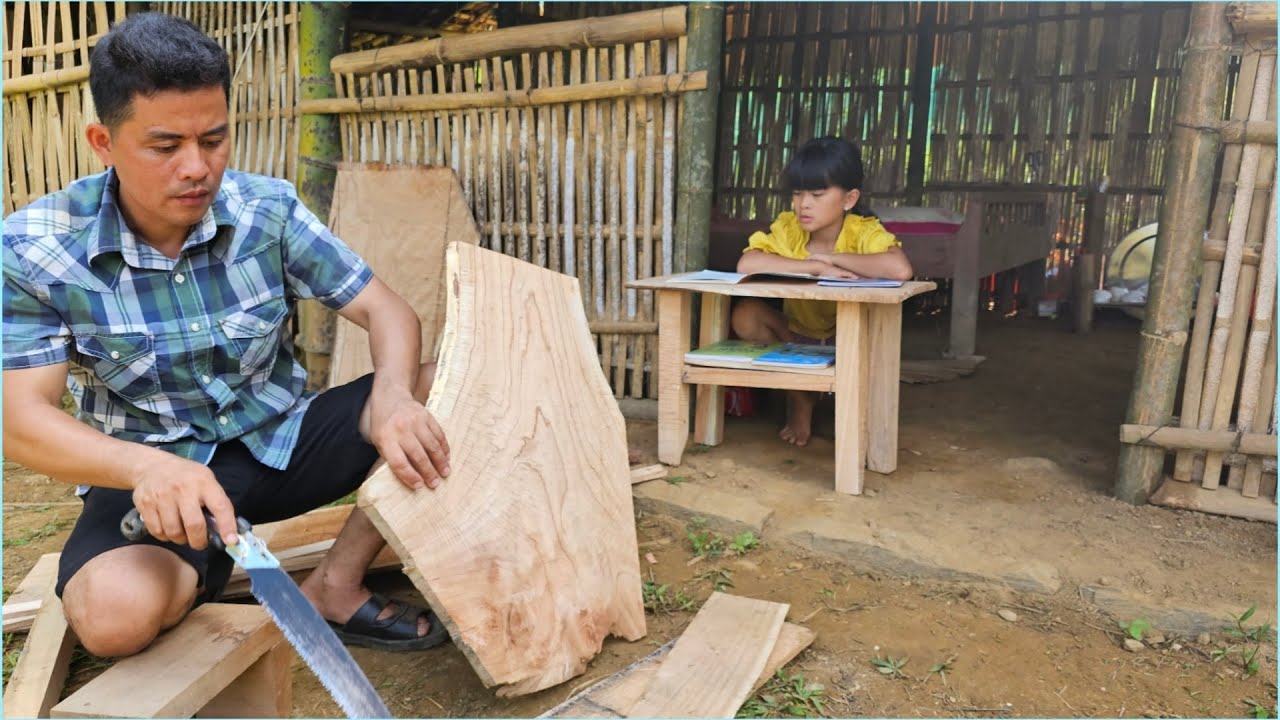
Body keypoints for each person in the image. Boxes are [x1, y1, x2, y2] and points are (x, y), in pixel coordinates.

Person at [2, 13, 450, 657]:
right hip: (155, 475)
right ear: (104, 142)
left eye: (213, 140)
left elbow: (389, 312)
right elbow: (20, 420)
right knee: (112, 619)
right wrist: (147, 468)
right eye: (165, 147)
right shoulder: (35, 249)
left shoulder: (267, 209)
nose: (197, 168)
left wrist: (396, 400)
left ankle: (336, 584)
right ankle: (194, 561)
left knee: (440, 389)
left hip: (284, 444)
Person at [731, 136, 913, 447]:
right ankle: (801, 400)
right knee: (745, 315)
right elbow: (747, 263)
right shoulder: (788, 228)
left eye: (817, 194)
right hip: (795, 335)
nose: (804, 204)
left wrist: (833, 258)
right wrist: (813, 266)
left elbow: (900, 269)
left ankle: (853, 410)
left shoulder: (863, 231)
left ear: (849, 199)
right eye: (797, 193)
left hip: (848, 338)